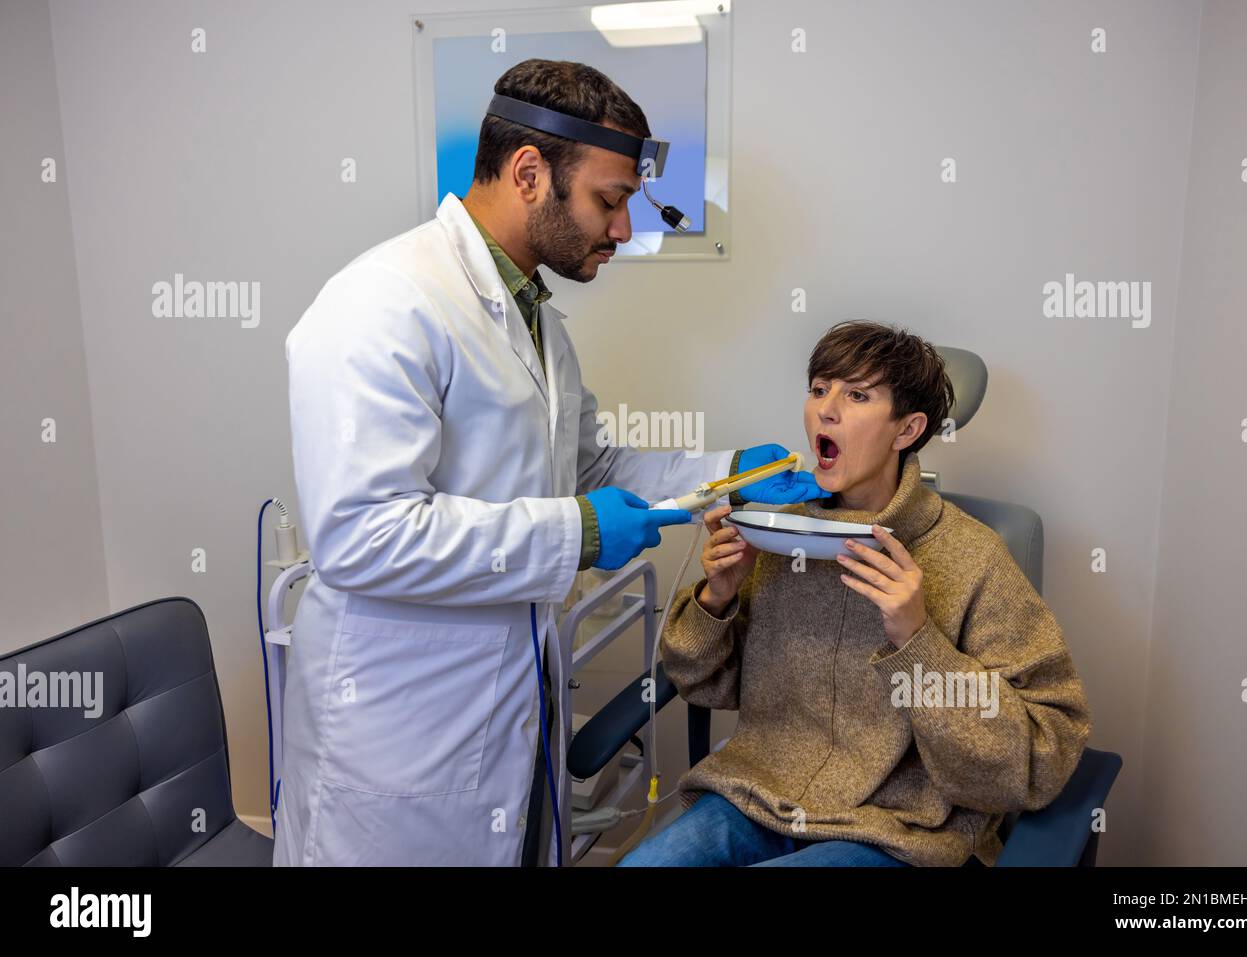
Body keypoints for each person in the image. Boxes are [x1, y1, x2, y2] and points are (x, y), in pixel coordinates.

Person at [274, 58, 826, 866]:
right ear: (530, 173)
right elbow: (360, 534)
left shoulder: (537, 321)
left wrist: (729, 470)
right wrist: (575, 533)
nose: (624, 228)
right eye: (611, 199)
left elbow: (590, 470)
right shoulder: (385, 303)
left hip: (506, 707)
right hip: (398, 732)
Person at [619, 320, 1092, 866]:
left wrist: (919, 642)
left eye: (857, 395)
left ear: (907, 429)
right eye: (819, 389)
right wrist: (717, 599)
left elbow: (1043, 754)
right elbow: (701, 684)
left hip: (891, 827)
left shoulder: (974, 558)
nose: (826, 409)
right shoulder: (775, 533)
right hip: (755, 796)